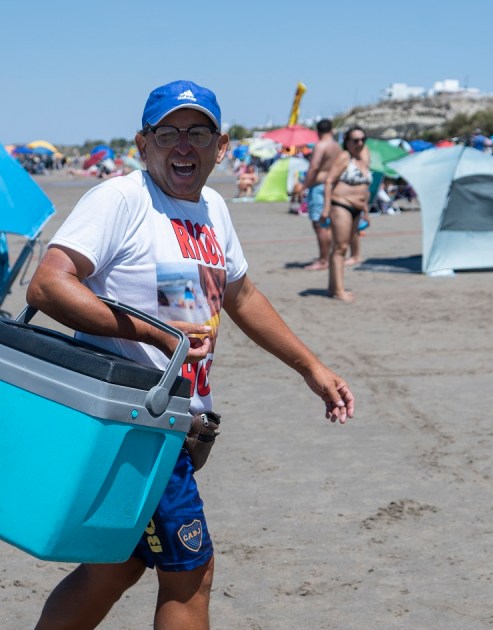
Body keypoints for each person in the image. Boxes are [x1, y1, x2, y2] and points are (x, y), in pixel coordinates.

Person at [26, 79, 354, 630]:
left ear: (221, 147)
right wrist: (158, 334)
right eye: (169, 133)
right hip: (134, 426)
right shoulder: (122, 199)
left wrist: (310, 368)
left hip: (175, 424)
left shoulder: (213, 208)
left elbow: (241, 296)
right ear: (143, 143)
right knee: (190, 574)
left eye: (198, 133)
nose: (184, 145)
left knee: (115, 566)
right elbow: (48, 285)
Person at [323, 126, 372, 302]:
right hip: (342, 205)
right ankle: (339, 290)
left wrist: (365, 209)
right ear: (347, 142)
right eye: (355, 140)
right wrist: (326, 208)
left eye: (363, 139)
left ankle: (333, 287)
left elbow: (365, 188)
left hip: (357, 208)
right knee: (341, 248)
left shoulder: (363, 159)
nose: (360, 143)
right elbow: (329, 181)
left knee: (341, 247)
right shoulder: (345, 157)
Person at [294, 119, 341, 271]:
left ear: (317, 132)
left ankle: (323, 260)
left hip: (319, 186)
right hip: (333, 186)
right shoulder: (337, 146)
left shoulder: (321, 146)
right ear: (331, 130)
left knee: (319, 224)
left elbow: (314, 167)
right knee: (328, 224)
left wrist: (304, 186)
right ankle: (328, 257)